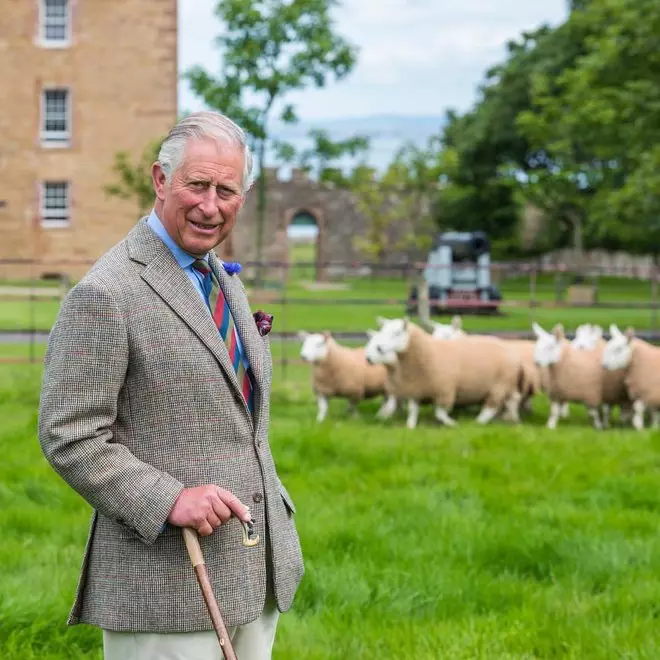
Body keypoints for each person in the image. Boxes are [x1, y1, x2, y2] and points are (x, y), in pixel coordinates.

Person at [38, 111, 304, 660]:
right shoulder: (106, 293)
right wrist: (169, 499)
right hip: (164, 585)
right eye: (198, 185)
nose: (211, 205)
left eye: (227, 190)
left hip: (254, 570)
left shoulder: (218, 274)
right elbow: (69, 436)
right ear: (161, 181)